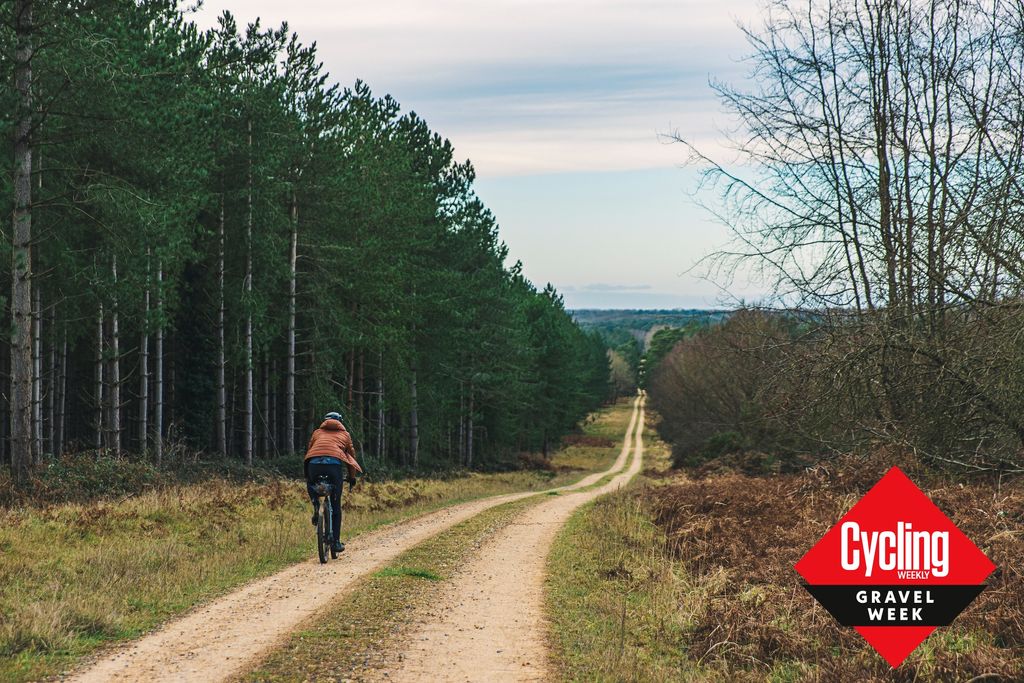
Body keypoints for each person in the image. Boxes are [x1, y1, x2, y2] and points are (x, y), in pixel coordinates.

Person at [304, 411, 362, 553]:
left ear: (325, 421)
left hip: (313, 464)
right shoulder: (345, 435)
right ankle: (335, 542)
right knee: (336, 505)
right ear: (340, 422)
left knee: (310, 482)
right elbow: (351, 457)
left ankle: (316, 504)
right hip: (333, 466)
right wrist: (352, 477)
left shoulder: (317, 432)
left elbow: (310, 450)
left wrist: (308, 474)